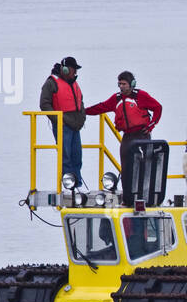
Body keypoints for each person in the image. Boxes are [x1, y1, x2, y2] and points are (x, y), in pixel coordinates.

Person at [85, 71, 163, 201]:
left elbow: (158, 108)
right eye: (119, 84)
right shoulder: (116, 99)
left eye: (124, 84)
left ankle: (144, 196)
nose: (121, 87)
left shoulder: (141, 96)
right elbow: (101, 107)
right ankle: (127, 198)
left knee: (143, 166)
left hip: (142, 136)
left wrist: (150, 126)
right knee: (126, 167)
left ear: (132, 84)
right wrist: (84, 111)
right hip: (127, 137)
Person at [39, 57, 86, 188]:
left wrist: (82, 118)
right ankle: (68, 185)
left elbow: (80, 101)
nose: (75, 72)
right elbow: (44, 104)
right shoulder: (51, 83)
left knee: (77, 156)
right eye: (73, 69)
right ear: (65, 69)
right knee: (66, 157)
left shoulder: (74, 83)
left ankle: (77, 184)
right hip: (62, 126)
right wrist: (58, 120)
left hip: (76, 126)